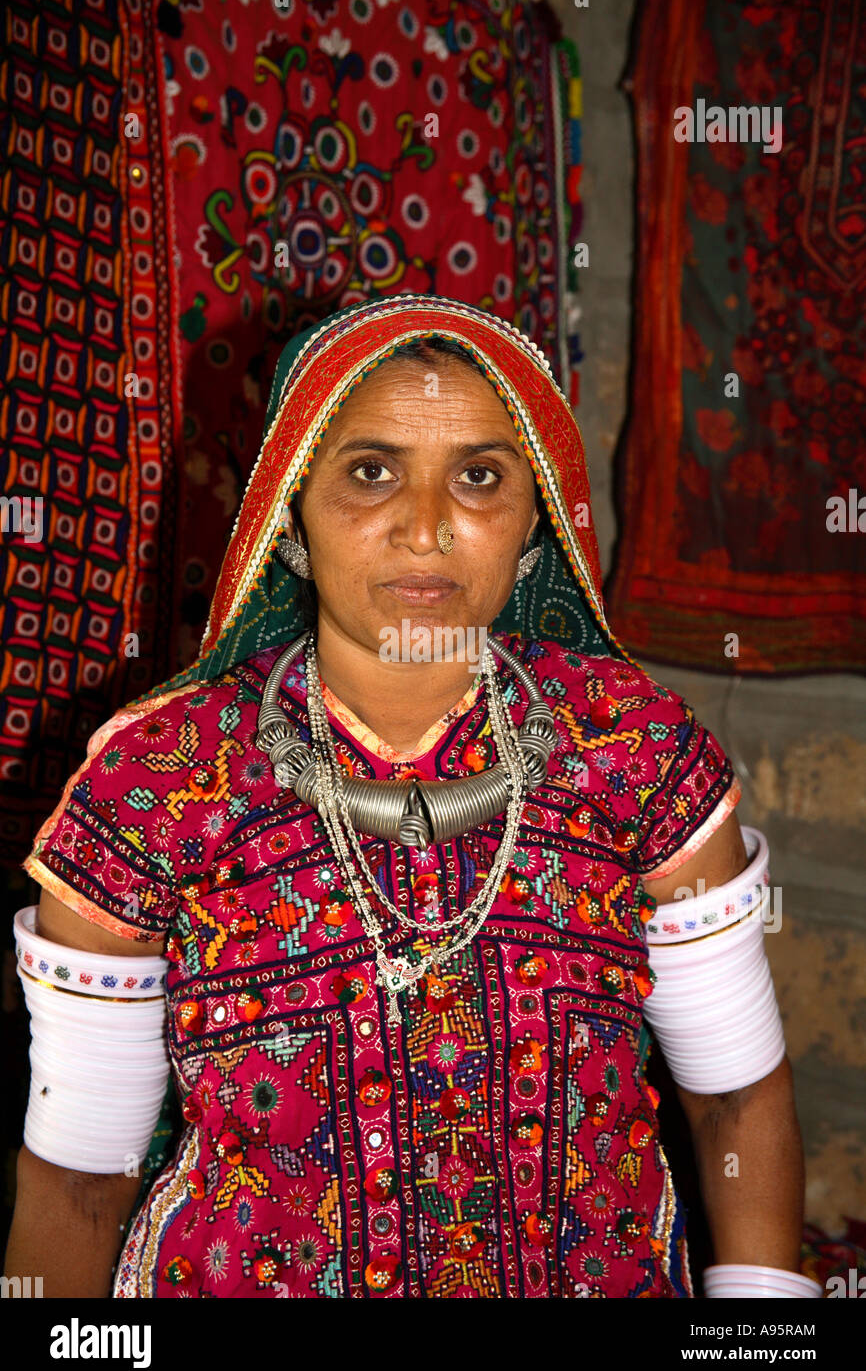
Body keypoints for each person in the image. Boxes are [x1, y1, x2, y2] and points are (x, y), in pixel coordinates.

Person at [5, 293, 819, 1298]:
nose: (427, 529)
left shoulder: (633, 748)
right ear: (292, 505)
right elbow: (80, 1180)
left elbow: (737, 1099)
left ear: (536, 515)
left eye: (478, 477)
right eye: (370, 472)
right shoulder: (157, 780)